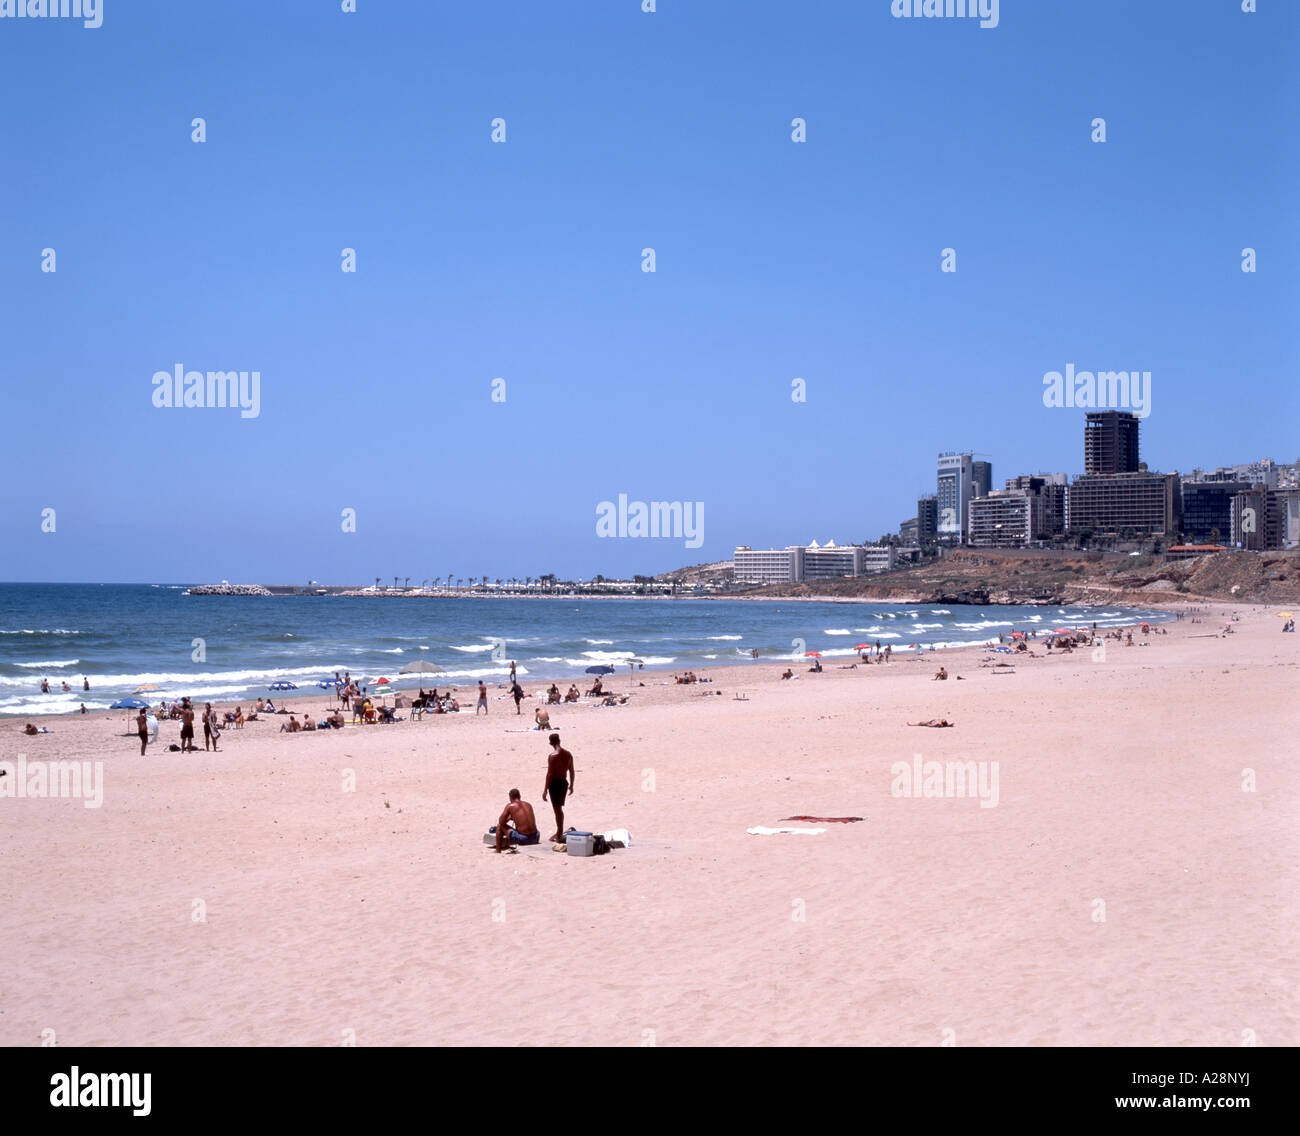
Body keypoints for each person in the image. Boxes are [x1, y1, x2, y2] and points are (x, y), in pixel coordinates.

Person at [542, 733, 575, 843]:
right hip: (564, 783)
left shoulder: (553, 756)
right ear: (559, 740)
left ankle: (559, 833)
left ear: (550, 742)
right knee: (558, 808)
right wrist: (571, 785)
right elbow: (571, 771)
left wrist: (545, 789)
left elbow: (550, 774)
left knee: (557, 809)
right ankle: (559, 832)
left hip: (555, 784)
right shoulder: (568, 754)